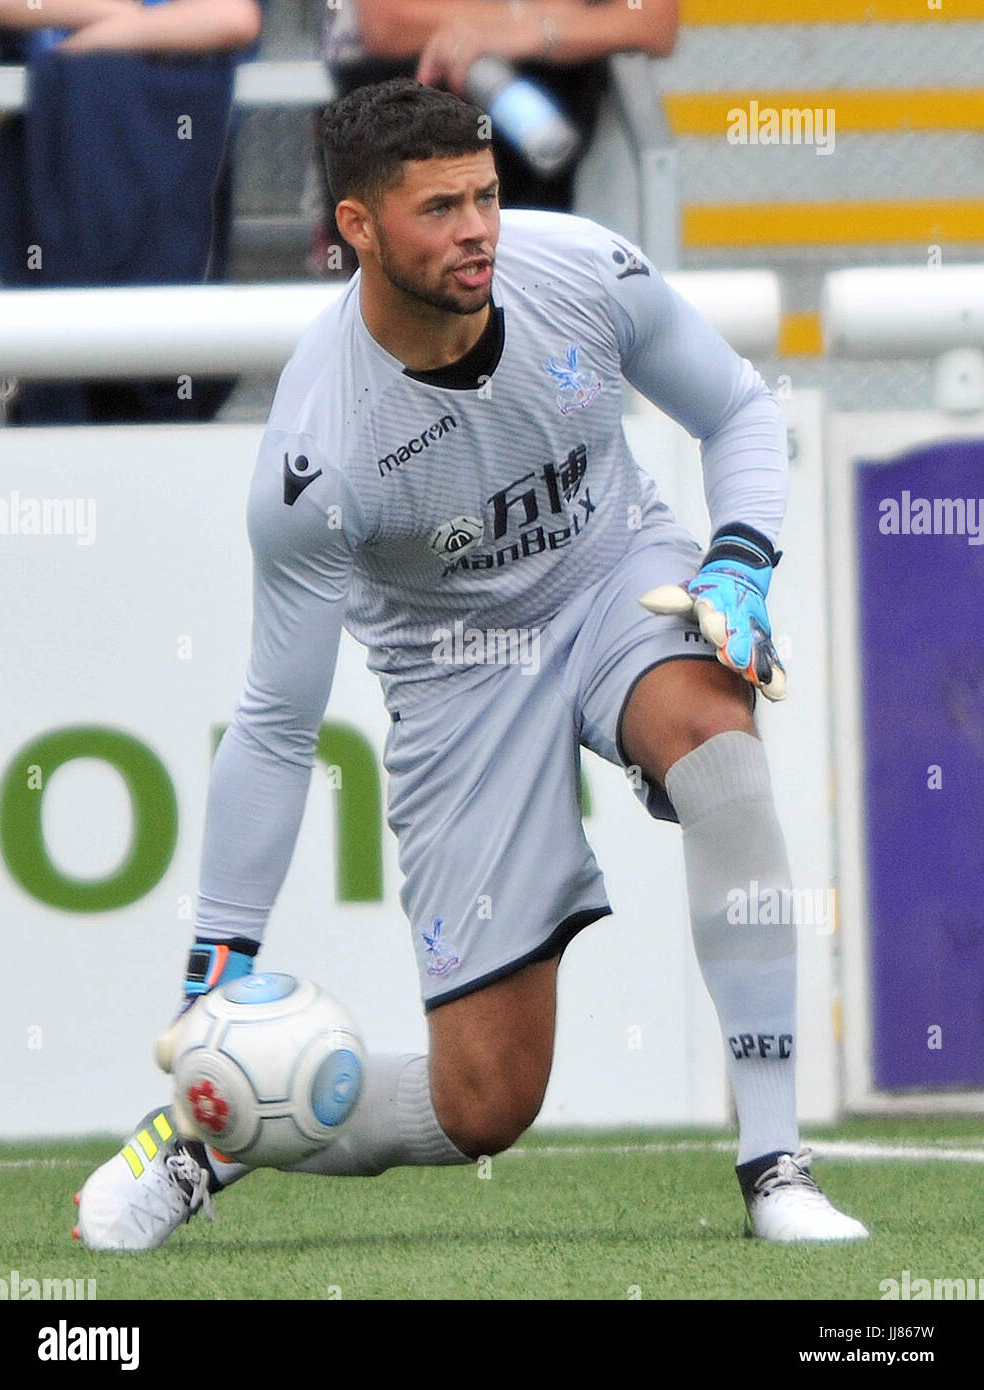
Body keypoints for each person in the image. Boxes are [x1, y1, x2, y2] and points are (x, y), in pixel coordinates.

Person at [75, 77, 868, 1250]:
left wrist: (740, 564)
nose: (478, 229)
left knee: (716, 740)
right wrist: (220, 961)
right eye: (439, 208)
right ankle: (216, 1135)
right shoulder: (316, 455)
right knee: (484, 1104)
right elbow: (278, 727)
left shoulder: (584, 270)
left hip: (615, 578)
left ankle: (776, 1168)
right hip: (453, 677)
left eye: (487, 196)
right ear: (357, 227)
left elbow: (742, 412)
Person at [0, 0, 261, 423]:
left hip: (157, 254)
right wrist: (117, 17)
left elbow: (231, 17)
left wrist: (98, 39)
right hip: (21, 249)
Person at [306, 0, 678, 275]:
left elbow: (653, 19)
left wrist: (532, 30)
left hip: (541, 177)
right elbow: (392, 23)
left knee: (530, 339)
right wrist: (560, 17)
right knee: (400, 354)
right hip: (403, 156)